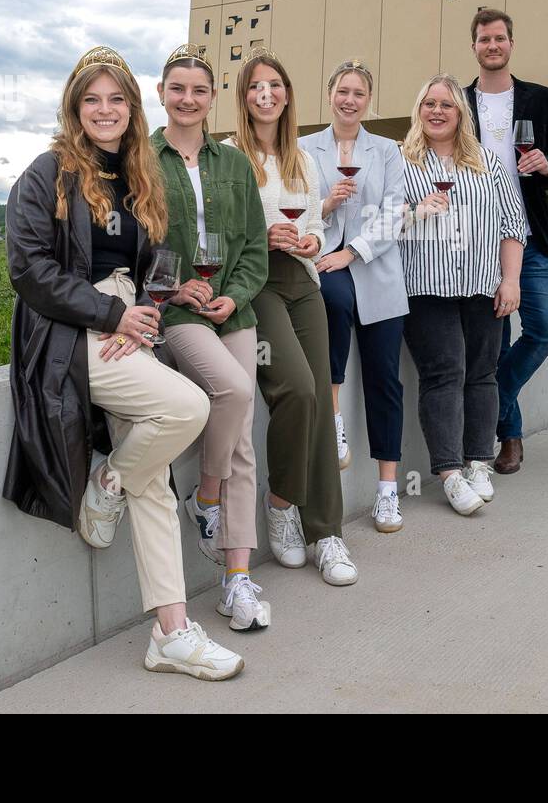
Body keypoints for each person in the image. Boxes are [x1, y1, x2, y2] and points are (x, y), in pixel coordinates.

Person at [3, 44, 243, 680]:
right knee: (189, 405)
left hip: (133, 323)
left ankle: (170, 632)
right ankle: (106, 483)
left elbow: (156, 265)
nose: (105, 110)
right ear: (75, 108)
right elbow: (29, 268)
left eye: (116, 99)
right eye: (92, 100)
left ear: (133, 109)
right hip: (70, 333)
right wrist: (112, 316)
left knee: (153, 478)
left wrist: (151, 310)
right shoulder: (47, 172)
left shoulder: (140, 175)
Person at [226, 47, 358, 585]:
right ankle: (281, 504)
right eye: (256, 86)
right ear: (243, 96)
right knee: (299, 392)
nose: (266, 93)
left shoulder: (304, 158)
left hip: (304, 281)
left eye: (275, 85)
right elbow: (223, 232)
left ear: (286, 94)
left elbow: (316, 224)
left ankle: (327, 533)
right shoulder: (230, 157)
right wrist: (263, 235)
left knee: (323, 402)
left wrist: (310, 238)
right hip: (257, 284)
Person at [150, 43, 271, 631]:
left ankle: (237, 582)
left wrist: (236, 295)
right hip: (176, 313)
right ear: (161, 93)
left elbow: (252, 242)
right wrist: (174, 289)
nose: (188, 99)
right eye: (178, 88)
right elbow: (135, 244)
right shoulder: (140, 160)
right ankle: (206, 496)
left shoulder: (233, 163)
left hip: (233, 309)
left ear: (213, 97)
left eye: (199, 90)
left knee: (243, 438)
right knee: (234, 393)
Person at [398, 74, 526, 516]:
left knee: (483, 373)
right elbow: (381, 222)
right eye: (429, 103)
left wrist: (510, 281)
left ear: (460, 114)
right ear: (419, 110)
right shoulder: (400, 163)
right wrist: (414, 212)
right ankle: (449, 473)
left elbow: (513, 226)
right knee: (444, 374)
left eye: (446, 105)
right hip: (425, 287)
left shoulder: (488, 164)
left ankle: (478, 462)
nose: (436, 111)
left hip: (482, 284)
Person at [299, 59, 408, 533]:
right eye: (342, 91)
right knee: (334, 301)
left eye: (358, 93)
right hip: (324, 259)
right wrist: (326, 208)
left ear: (368, 100)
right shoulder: (304, 148)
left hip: (377, 268)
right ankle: (335, 417)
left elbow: (395, 211)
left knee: (386, 380)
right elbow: (297, 207)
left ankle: (388, 491)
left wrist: (355, 251)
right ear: (330, 95)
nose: (349, 100)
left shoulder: (386, 150)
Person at [462, 8, 548, 475]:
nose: (492, 46)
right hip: (480, 245)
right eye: (484, 39)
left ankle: (491, 400)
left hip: (531, 236)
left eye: (500, 38)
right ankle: (510, 438)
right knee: (495, 345)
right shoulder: (459, 103)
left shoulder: (540, 99)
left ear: (511, 44)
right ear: (474, 46)